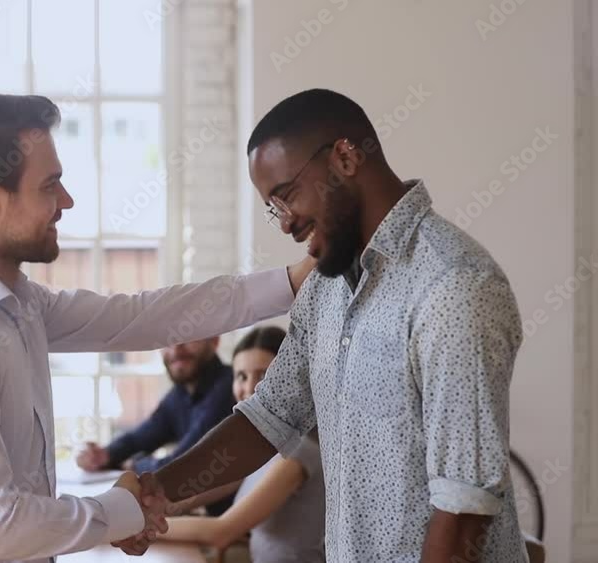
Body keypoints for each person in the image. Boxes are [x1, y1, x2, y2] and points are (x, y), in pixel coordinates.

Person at [0, 93, 316, 563]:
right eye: (49, 186)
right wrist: (123, 511)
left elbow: (142, 317)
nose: (66, 201)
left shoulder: (18, 303)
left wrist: (291, 282)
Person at [121, 88, 529, 562]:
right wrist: (154, 491)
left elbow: (464, 509)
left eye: (286, 195)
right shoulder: (325, 289)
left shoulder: (454, 285)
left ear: (345, 157)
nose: (285, 222)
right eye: (273, 207)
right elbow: (267, 419)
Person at [157, 326, 325, 563]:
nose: (250, 388)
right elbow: (194, 493)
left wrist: (132, 528)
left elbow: (220, 532)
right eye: (241, 376)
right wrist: (146, 509)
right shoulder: (260, 448)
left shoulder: (299, 451)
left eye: (263, 375)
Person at [75, 336, 239, 516]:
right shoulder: (180, 395)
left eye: (190, 337)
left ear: (214, 341)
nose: (176, 350)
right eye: (168, 341)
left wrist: (133, 465)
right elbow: (140, 438)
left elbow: (180, 466)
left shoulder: (228, 389)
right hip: (208, 519)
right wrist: (103, 455)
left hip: (239, 529)